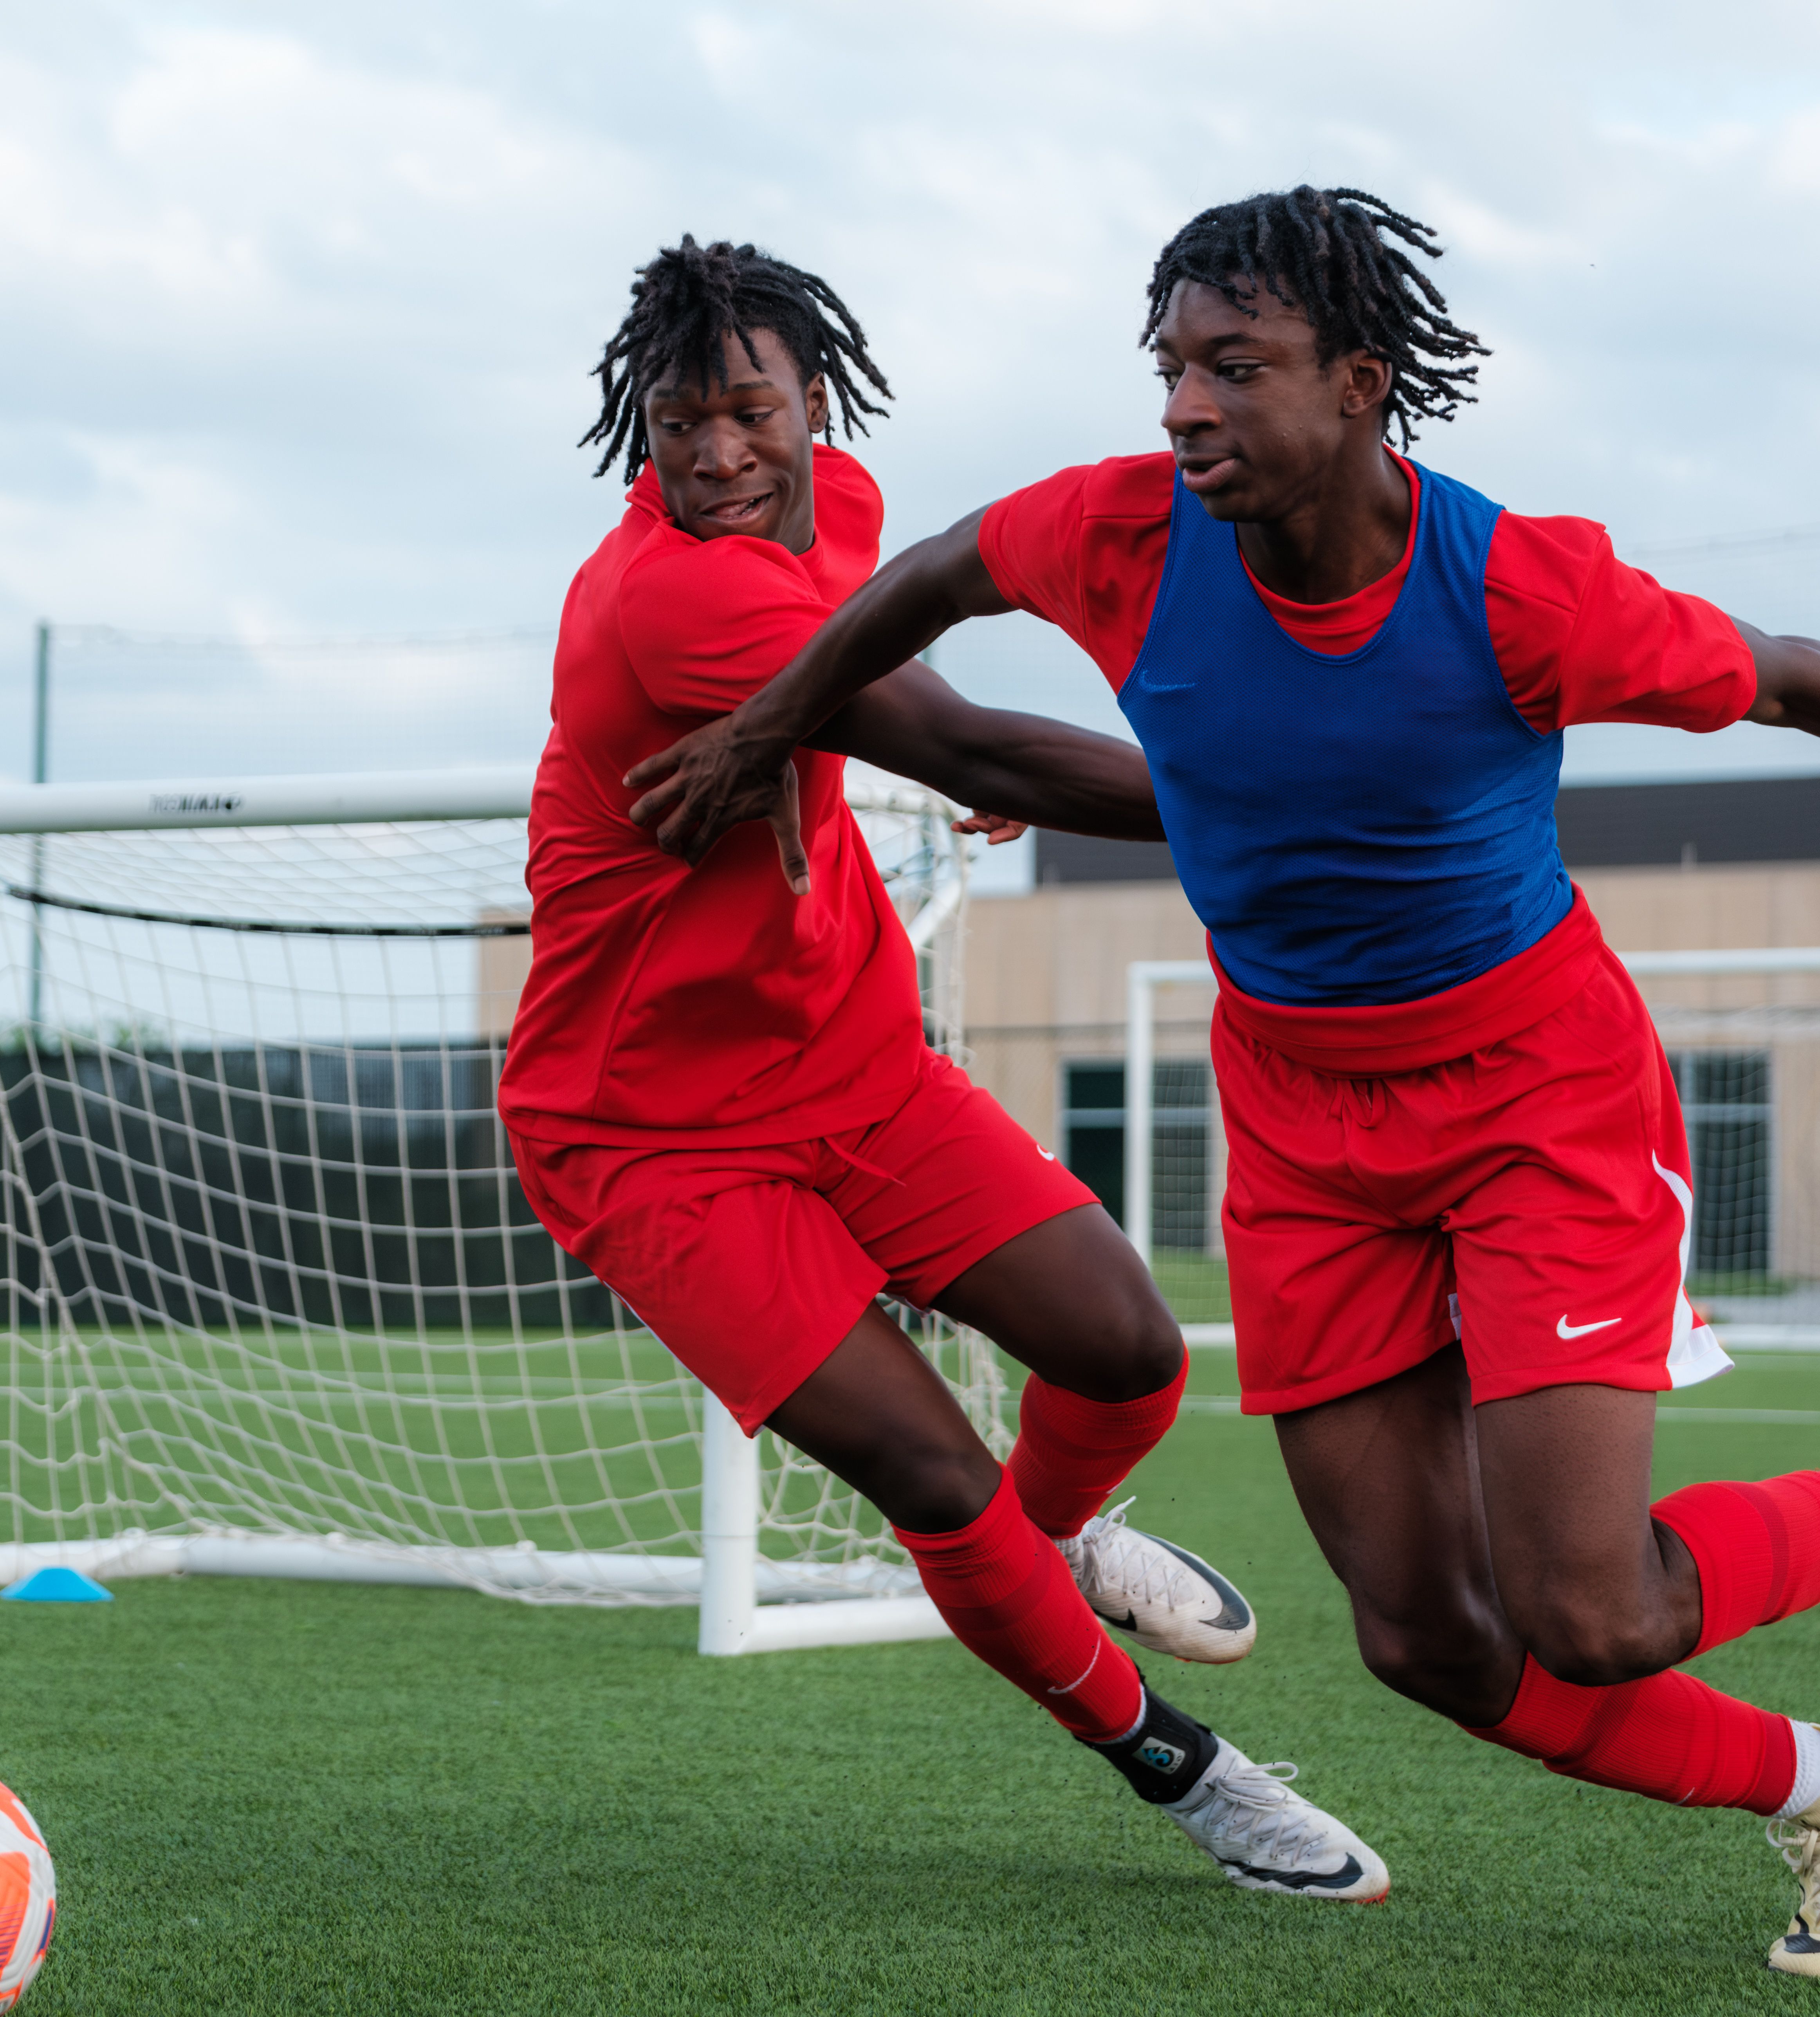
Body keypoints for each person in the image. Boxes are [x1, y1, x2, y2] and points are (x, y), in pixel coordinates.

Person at [617, 187, 1820, 1980]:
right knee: (1429, 1642)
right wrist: (780, 721)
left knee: (1590, 1605)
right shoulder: (1118, 532)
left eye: (1234, 370)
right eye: (1171, 367)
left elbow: (1785, 673)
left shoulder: (1520, 586)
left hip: (1536, 1098)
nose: (1183, 411)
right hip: (1304, 1128)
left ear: (1363, 383)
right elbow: (930, 572)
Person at [502, 236, 1389, 1900]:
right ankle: (1183, 1767)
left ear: (815, 407)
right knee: (931, 1473)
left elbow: (894, 670)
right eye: (678, 422)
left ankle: (1043, 1556)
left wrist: (883, 729)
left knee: (1127, 1353)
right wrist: (1297, 796)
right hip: (651, 1135)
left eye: (750, 410)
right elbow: (961, 733)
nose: (714, 453)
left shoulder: (830, 512)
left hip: (845, 1059)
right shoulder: (675, 591)